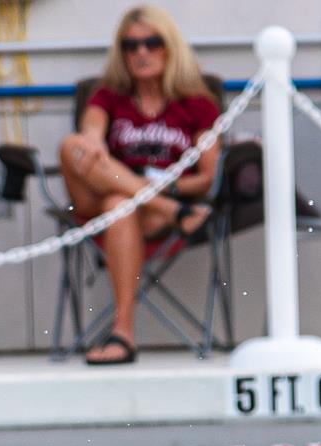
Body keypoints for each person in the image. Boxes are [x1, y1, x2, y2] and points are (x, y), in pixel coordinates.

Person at [56, 7, 220, 367]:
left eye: (151, 43)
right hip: (102, 200)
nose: (141, 52)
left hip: (146, 209)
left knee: (120, 204)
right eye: (130, 45)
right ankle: (170, 211)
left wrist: (165, 187)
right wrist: (94, 139)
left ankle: (122, 333)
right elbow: (90, 133)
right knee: (73, 147)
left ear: (170, 47)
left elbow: (208, 176)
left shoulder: (197, 104)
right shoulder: (108, 96)